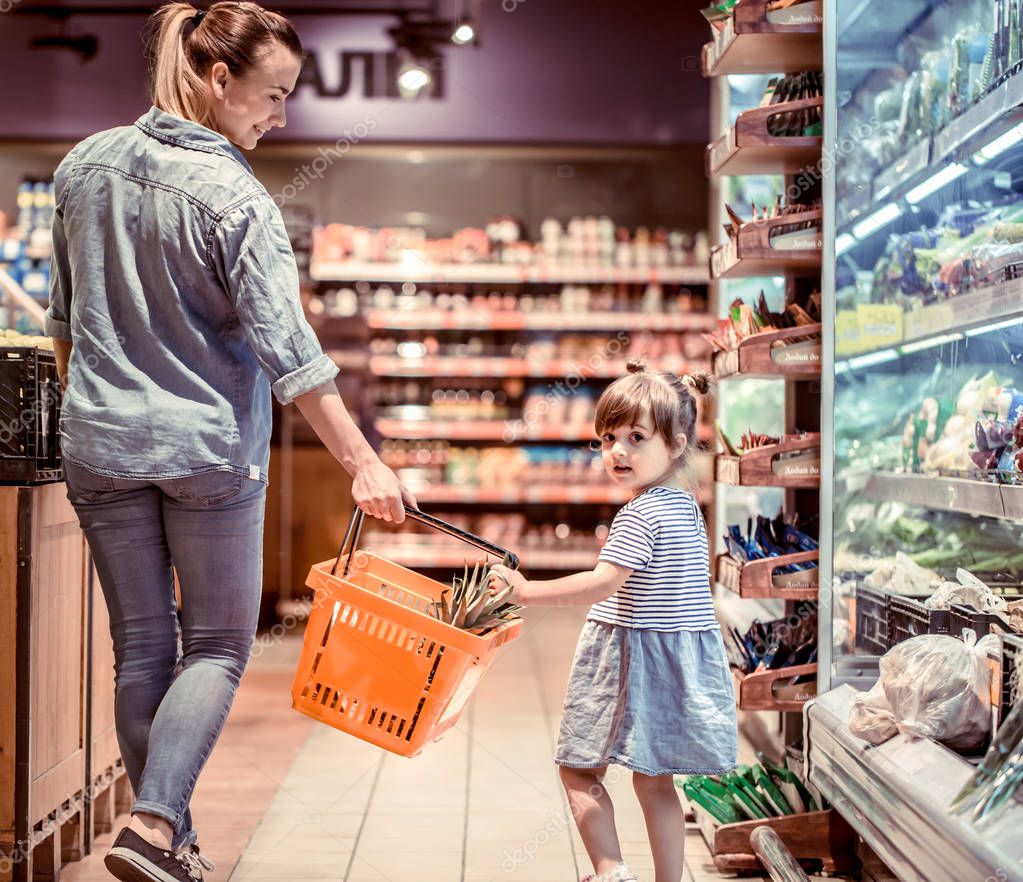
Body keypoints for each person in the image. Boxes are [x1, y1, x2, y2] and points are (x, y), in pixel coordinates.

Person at [45, 3, 413, 881]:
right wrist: (364, 463)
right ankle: (157, 825)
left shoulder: (81, 166)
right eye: (273, 95)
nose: (280, 117)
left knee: (141, 648)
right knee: (216, 644)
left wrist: (92, 404)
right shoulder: (235, 198)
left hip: (98, 444)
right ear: (217, 80)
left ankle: (174, 845)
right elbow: (295, 360)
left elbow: (64, 327)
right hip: (206, 450)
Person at [489, 360, 737, 882]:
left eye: (635, 437)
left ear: (676, 443)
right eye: (607, 438)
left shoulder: (641, 514)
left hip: (630, 660)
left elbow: (604, 582)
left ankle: (610, 871)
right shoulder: (686, 508)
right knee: (655, 780)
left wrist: (527, 590)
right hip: (677, 661)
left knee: (578, 768)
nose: (617, 451)